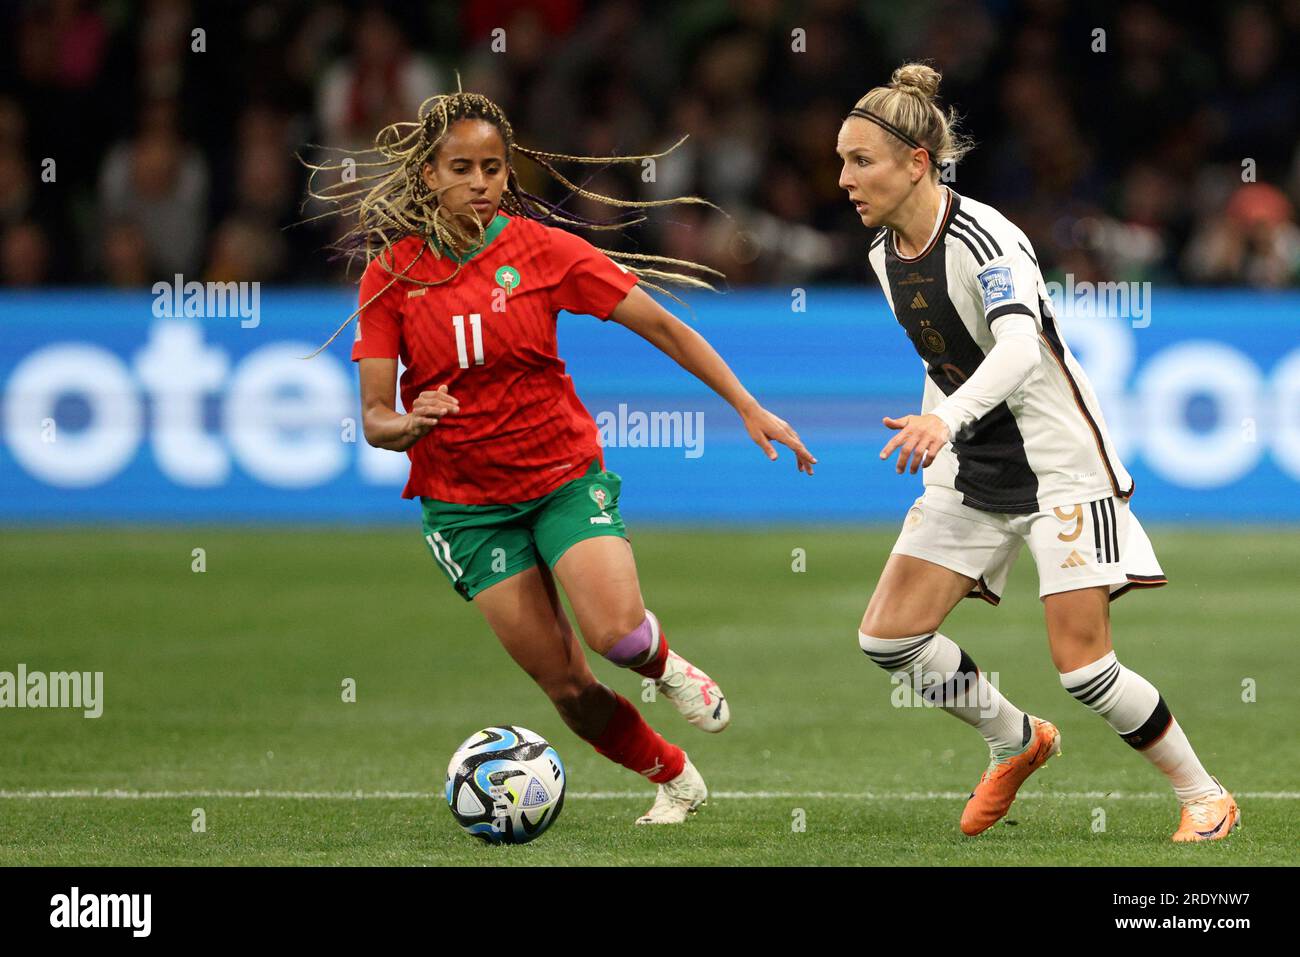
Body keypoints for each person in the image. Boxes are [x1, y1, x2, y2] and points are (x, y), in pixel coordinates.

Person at [307, 90, 816, 825]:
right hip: (466, 509)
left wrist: (746, 403)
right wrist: (408, 421)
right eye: (461, 167)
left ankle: (665, 664)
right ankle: (673, 777)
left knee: (617, 634)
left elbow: (665, 328)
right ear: (427, 174)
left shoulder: (542, 252)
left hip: (560, 478)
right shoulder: (393, 274)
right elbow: (375, 419)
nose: (480, 182)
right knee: (568, 686)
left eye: (492, 167)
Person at [836, 63, 1239, 842]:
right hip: (974, 467)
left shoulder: (987, 237)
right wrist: (939, 443)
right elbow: (942, 356)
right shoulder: (885, 256)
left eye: (861, 161)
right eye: (842, 162)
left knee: (1085, 668)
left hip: (1058, 467)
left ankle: (1206, 796)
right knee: (888, 636)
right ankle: (1016, 738)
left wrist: (945, 423)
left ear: (917, 161)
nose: (845, 180)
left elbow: (1021, 346)